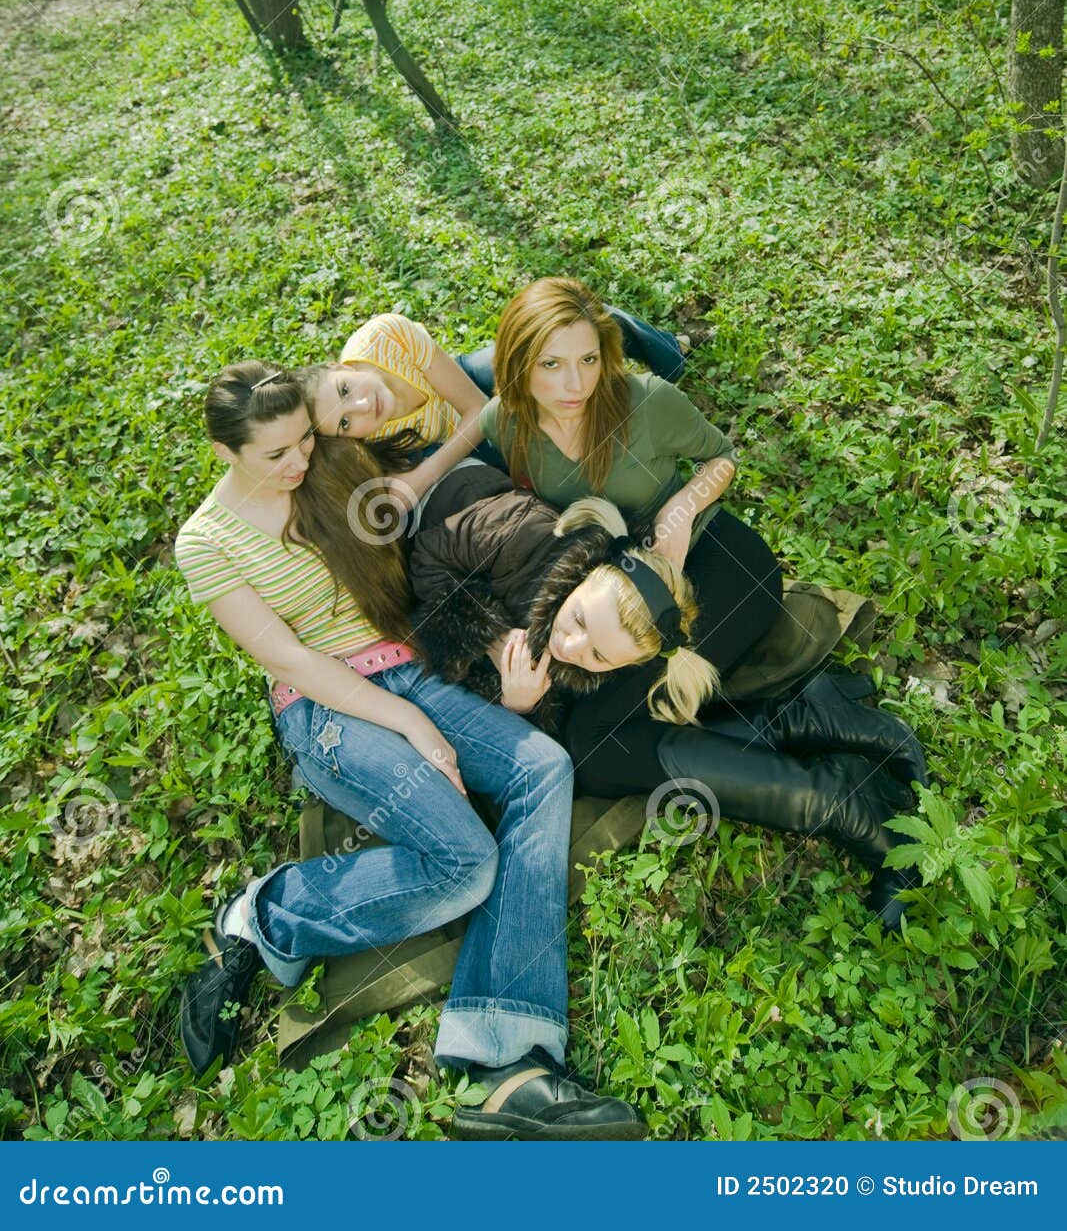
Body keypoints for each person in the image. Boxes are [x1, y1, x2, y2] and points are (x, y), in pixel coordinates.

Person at [173, 361, 645, 1140]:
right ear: (226, 453)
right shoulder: (206, 542)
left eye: (303, 441)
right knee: (463, 865)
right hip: (326, 707)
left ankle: (507, 1061)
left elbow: (423, 387)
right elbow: (291, 661)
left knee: (542, 767)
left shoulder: (324, 466)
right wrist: (410, 725)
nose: (298, 462)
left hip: (408, 666)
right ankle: (268, 917)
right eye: (276, 454)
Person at [400, 459, 926, 931]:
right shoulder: (571, 622)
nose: (569, 646)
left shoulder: (520, 534)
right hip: (641, 617)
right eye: (579, 631)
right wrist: (516, 695)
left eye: (588, 642)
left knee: (594, 748)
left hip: (719, 571)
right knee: (589, 749)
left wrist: (491, 641)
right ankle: (811, 735)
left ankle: (833, 796)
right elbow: (544, 711)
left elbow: (429, 572)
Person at [480, 277, 784, 693]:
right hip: (608, 598)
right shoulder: (504, 422)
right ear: (518, 363)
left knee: (649, 703)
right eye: (551, 364)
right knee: (585, 709)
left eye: (588, 360)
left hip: (705, 552)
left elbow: (722, 457)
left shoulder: (648, 402)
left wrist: (680, 511)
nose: (576, 384)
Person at [297, 305, 689, 513]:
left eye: (345, 390)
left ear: (337, 366)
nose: (363, 407)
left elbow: (476, 407)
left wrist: (420, 480)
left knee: (547, 343)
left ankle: (662, 347)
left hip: (464, 388)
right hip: (455, 445)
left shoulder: (384, 337)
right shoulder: (364, 444)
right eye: (345, 422)